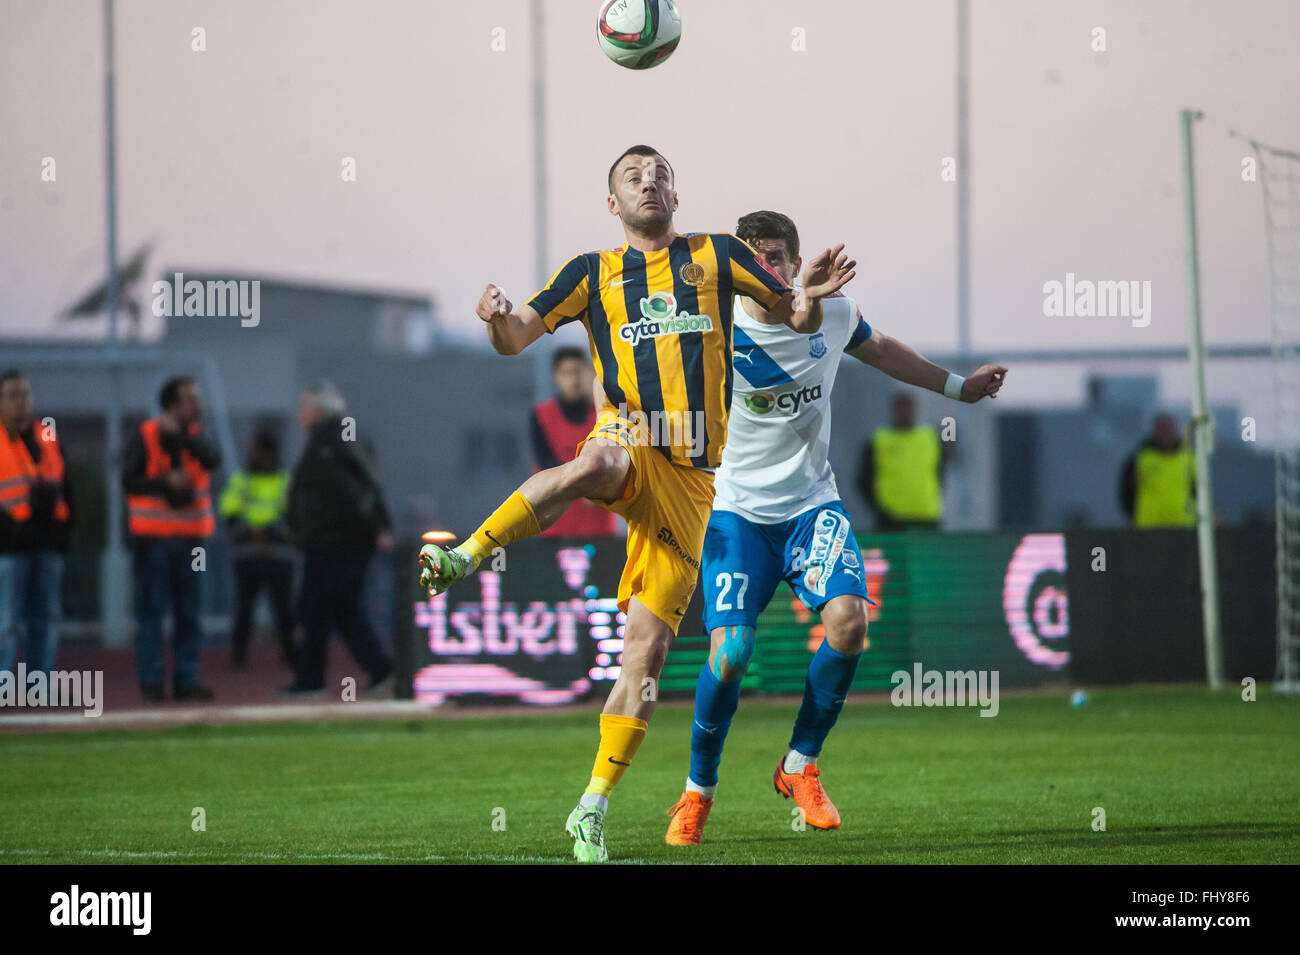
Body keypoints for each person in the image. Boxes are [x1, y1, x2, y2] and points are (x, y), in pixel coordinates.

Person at [417, 145, 856, 862]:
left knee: (645, 658)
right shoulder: (589, 273)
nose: (649, 182)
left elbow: (797, 319)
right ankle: (467, 552)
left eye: (661, 176)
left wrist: (807, 291)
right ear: (612, 204)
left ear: (676, 200)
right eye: (633, 176)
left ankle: (590, 807)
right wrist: (496, 318)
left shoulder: (717, 255)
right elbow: (515, 337)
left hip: (692, 486)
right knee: (597, 458)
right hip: (633, 438)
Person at [664, 211, 1006, 846]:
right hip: (735, 511)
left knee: (850, 622)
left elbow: (883, 351)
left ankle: (799, 765)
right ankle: (697, 792)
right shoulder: (708, 328)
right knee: (731, 654)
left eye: (777, 257)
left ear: (795, 264)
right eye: (755, 257)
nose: (767, 267)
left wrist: (960, 388)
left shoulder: (835, 316)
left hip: (811, 505)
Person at [283, 382, 393, 696]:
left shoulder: (336, 435)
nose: (300, 414)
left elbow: (364, 481)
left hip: (337, 540)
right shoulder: (329, 437)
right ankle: (380, 671)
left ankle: (311, 681)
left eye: (304, 406)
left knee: (318, 608)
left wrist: (375, 524)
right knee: (341, 609)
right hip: (336, 538)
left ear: (317, 409)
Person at [123, 375, 221, 702]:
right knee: (152, 613)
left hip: (192, 540)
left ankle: (186, 679)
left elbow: (212, 458)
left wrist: (181, 436)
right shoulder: (146, 435)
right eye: (191, 400)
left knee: (189, 613)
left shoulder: (196, 436)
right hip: (155, 540)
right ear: (172, 406)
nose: (199, 405)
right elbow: (128, 480)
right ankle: (151, 682)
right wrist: (165, 482)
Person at [0, 370, 72, 676]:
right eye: (13, 396)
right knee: (7, 621)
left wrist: (62, 537)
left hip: (46, 544)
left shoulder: (47, 436)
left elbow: (69, 491)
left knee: (46, 618)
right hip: (8, 547)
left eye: (26, 395)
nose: (22, 403)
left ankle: (40, 684)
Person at [219, 428, 294, 668]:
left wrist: (269, 533)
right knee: (244, 610)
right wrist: (249, 532)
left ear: (268, 453)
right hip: (249, 556)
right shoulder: (241, 481)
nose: (252, 455)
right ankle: (239, 655)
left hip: (278, 556)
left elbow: (295, 515)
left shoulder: (285, 481)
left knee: (283, 610)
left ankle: (290, 654)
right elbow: (228, 511)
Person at [530, 347, 618, 538]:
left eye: (578, 371)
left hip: (599, 527)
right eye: (567, 373)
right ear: (556, 377)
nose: (574, 379)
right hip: (554, 526)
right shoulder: (542, 415)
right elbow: (546, 465)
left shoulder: (605, 414)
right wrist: (588, 485)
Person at [856, 392, 948, 530]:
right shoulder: (879, 440)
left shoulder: (931, 438)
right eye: (901, 409)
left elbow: (940, 472)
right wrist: (880, 510)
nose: (905, 413)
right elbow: (864, 480)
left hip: (927, 517)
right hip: (891, 521)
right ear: (893, 411)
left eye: (908, 408)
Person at [1119, 413, 1194, 527]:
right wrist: (1133, 515)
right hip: (1148, 524)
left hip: (1184, 524)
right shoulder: (1140, 459)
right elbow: (1127, 492)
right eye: (1162, 429)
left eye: (1169, 429)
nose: (1166, 433)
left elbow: (1199, 490)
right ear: (1154, 431)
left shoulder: (1190, 458)